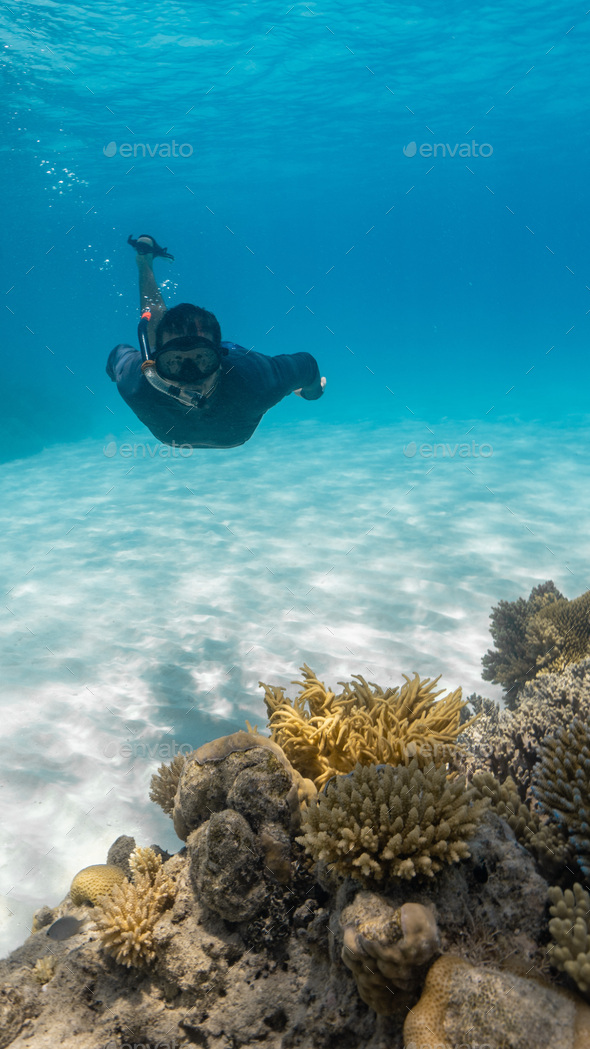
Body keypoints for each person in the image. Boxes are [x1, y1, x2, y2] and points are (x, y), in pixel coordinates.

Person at [106, 234, 326, 449]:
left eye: (201, 359)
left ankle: (146, 262)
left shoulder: (256, 380)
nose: (189, 375)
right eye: (174, 362)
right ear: (156, 363)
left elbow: (307, 364)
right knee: (158, 330)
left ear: (220, 358)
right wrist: (311, 392)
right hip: (225, 428)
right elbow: (117, 355)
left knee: (162, 335)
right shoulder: (137, 383)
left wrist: (312, 393)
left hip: (230, 365)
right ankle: (144, 261)